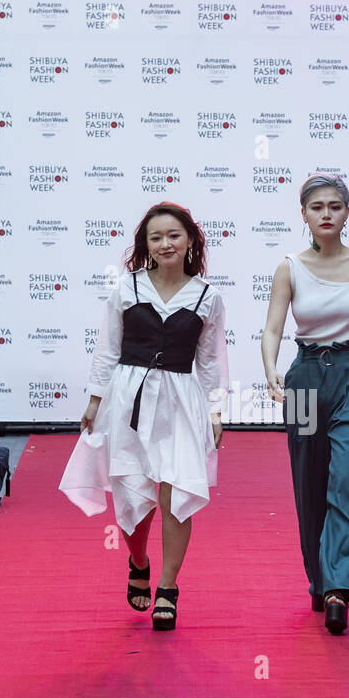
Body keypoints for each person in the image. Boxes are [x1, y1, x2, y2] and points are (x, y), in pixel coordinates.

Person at [60, 202, 228, 631]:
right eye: (156, 237)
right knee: (134, 496)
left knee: (177, 492)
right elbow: (107, 348)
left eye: (174, 235)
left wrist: (215, 408)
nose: (166, 243)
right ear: (146, 245)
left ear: (189, 240)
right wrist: (95, 402)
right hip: (128, 399)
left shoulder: (208, 296)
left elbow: (211, 358)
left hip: (181, 401)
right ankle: (139, 560)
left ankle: (168, 589)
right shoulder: (127, 288)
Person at [261, 174, 349, 635]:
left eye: (335, 206)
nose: (326, 213)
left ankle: (341, 583)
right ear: (303, 214)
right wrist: (270, 369)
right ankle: (320, 578)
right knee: (309, 480)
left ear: (347, 213)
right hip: (303, 380)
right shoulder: (289, 267)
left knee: (347, 477)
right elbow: (273, 327)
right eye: (317, 206)